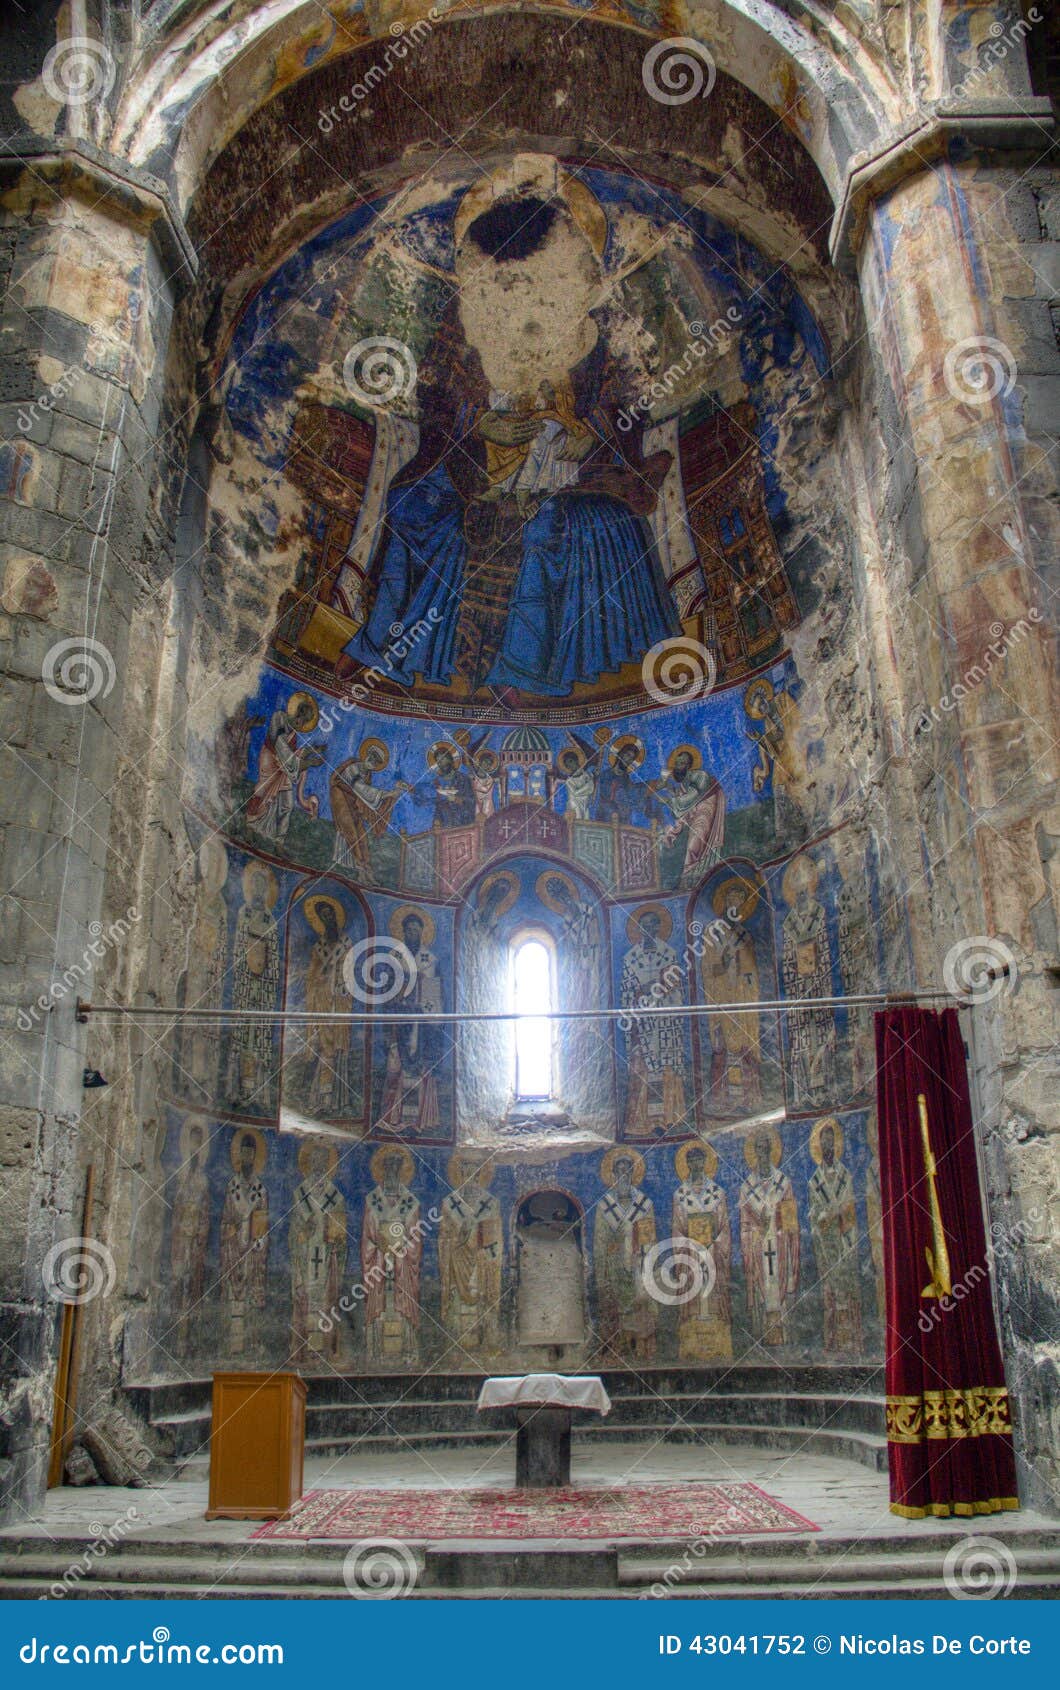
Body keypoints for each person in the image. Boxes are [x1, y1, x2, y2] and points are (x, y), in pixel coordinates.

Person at [246, 692, 324, 843]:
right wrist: (308, 763)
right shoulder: (279, 717)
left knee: (287, 804)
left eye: (304, 721)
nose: (301, 724)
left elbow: (291, 753)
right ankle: (250, 825)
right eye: (301, 718)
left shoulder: (294, 732)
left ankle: (279, 842)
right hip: (270, 759)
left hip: (284, 766)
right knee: (261, 792)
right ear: (297, 711)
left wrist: (312, 750)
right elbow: (280, 744)